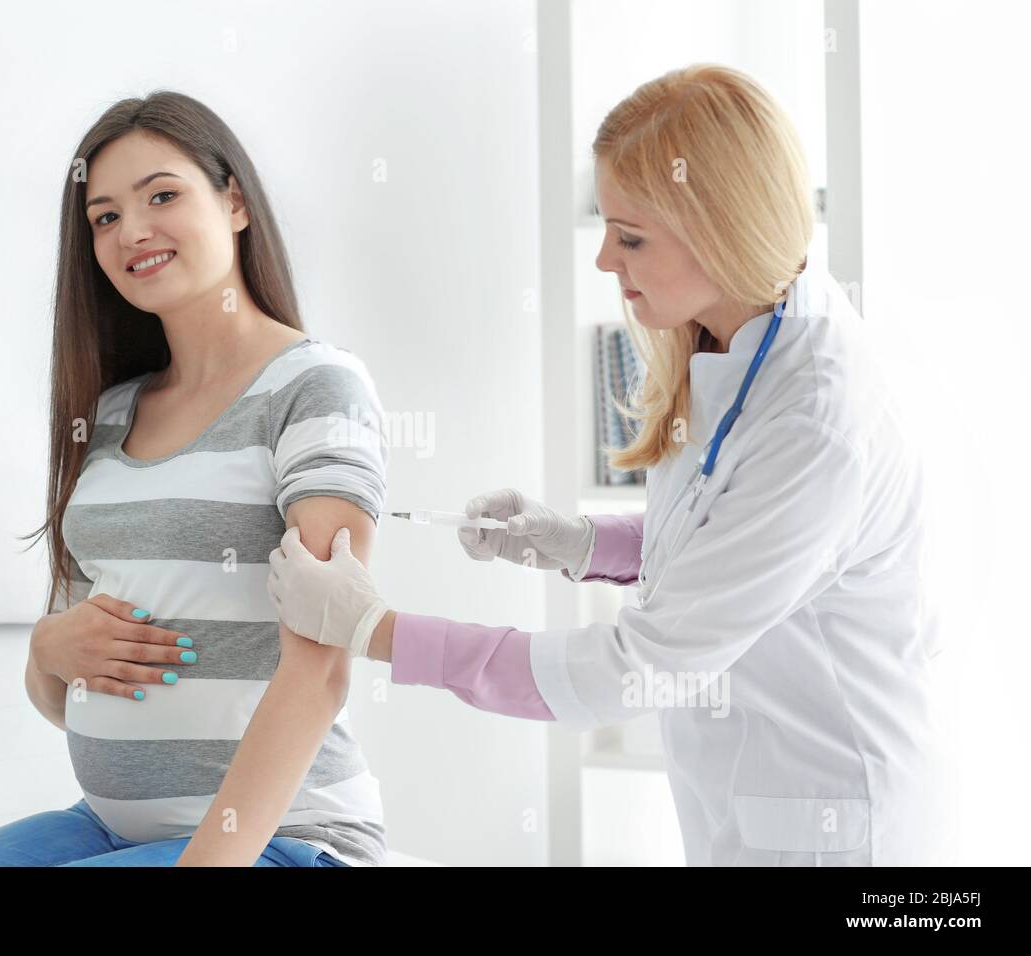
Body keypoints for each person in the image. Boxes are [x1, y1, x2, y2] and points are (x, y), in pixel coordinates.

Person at [266, 64, 952, 866]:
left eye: (630, 237)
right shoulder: (739, 332)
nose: (602, 261)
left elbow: (633, 671)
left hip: (846, 825)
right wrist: (579, 544)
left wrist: (376, 631)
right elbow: (719, 528)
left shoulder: (819, 423)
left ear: (724, 230)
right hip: (753, 803)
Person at [0, 90, 388, 867]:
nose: (131, 230)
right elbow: (63, 686)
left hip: (285, 842)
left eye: (162, 195)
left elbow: (323, 666)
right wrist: (44, 652)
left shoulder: (315, 389)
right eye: (104, 217)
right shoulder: (107, 413)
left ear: (233, 200)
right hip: (107, 827)